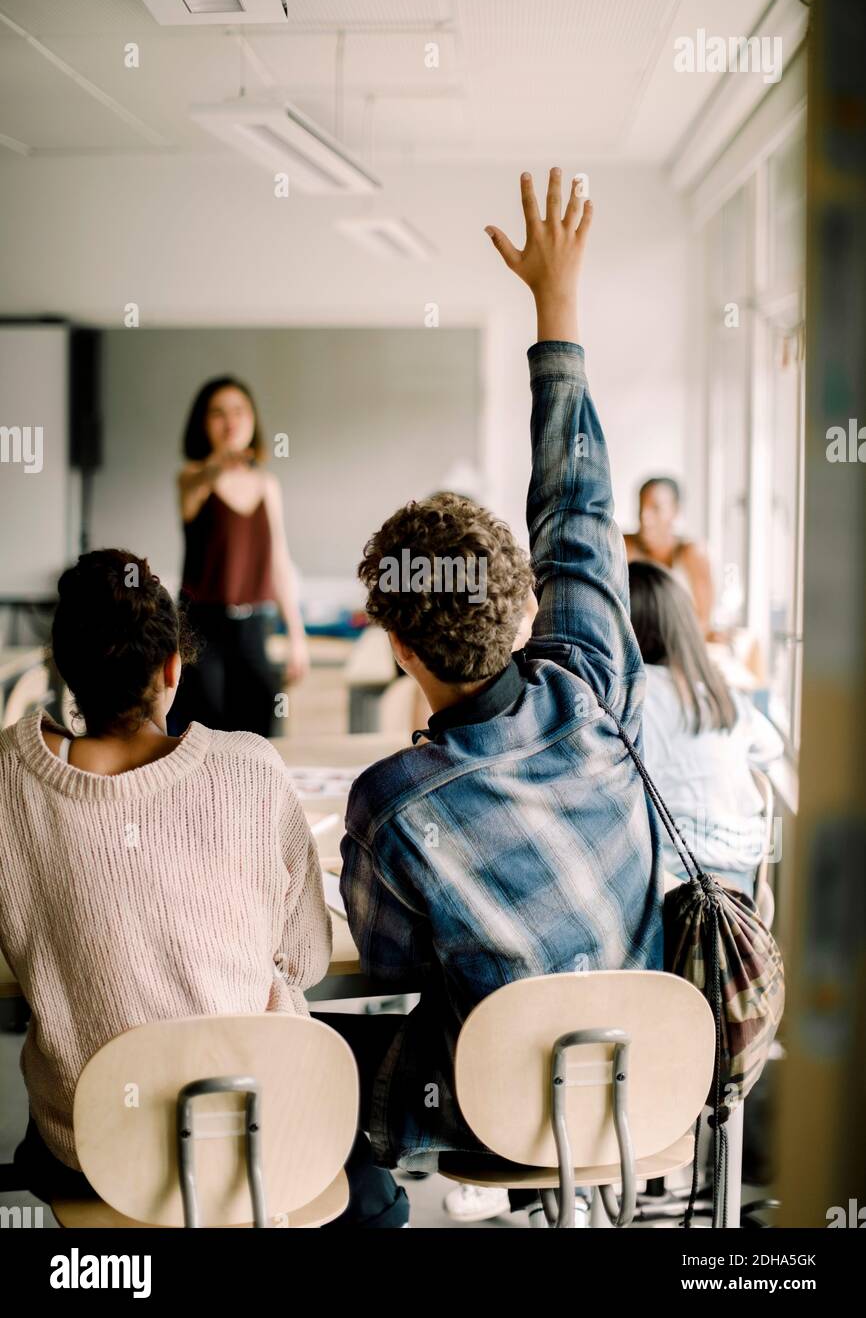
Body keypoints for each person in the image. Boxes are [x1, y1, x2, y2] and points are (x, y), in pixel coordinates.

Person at [314, 170, 663, 1225]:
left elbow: (388, 969)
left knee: (315, 1067)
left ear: (398, 650)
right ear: (522, 608)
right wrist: (555, 305)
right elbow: (578, 501)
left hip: (491, 1102)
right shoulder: (593, 679)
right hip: (646, 1078)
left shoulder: (391, 803)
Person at [0, 549, 407, 1227]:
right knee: (373, 1195)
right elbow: (305, 961)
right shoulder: (250, 767)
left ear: (64, 670)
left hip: (96, 1145)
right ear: (172, 668)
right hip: (257, 1126)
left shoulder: (11, 776)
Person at [627, 559, 784, 897]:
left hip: (677, 889)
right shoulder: (716, 691)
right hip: (743, 889)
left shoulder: (638, 691)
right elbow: (772, 748)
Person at [172, 376, 309, 738]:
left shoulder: (267, 484)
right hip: (199, 629)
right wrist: (221, 462)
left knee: (261, 729)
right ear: (203, 424)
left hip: (254, 627)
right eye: (217, 413)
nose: (230, 421)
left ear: (252, 420)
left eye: (238, 411)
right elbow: (200, 481)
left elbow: (279, 559)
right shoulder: (191, 479)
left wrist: (297, 635)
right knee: (204, 731)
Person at [624, 476, 714, 635]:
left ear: (675, 511)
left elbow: (703, 621)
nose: (644, 517)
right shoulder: (622, 546)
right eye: (641, 507)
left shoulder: (693, 554)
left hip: (681, 645)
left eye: (655, 508)